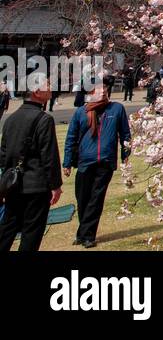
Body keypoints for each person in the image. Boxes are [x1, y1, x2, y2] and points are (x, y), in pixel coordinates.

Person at [62, 83, 131, 248]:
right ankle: (83, 232)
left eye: (105, 90)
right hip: (85, 161)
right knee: (82, 198)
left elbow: (125, 133)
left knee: (96, 199)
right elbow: (71, 137)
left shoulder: (116, 109)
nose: (104, 92)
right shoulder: (81, 112)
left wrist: (125, 155)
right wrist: (67, 162)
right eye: (100, 90)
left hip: (105, 162)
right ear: (91, 93)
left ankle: (88, 236)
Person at [0, 73, 63, 252]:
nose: (51, 88)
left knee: (7, 228)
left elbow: (3, 155)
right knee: (31, 233)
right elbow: (49, 156)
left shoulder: (10, 119)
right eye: (47, 85)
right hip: (36, 186)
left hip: (13, 185)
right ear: (36, 91)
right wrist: (55, 185)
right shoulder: (44, 119)